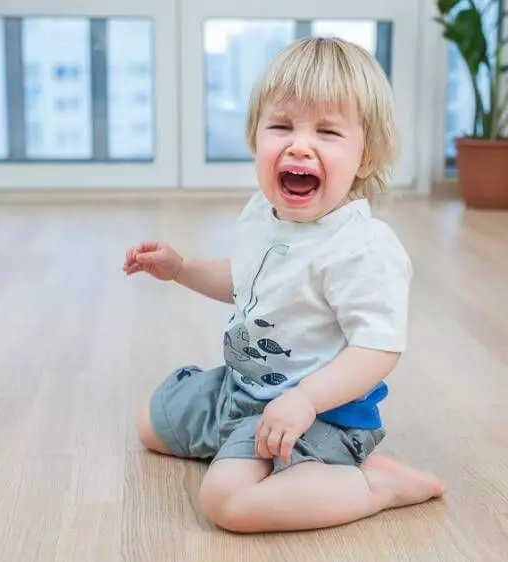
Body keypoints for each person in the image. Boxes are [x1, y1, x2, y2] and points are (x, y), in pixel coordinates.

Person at [124, 36, 445, 534]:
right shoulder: (263, 214)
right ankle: (265, 456)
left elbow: (377, 348)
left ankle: (371, 486)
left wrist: (307, 400)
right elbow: (247, 280)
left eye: (327, 132)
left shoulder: (362, 249)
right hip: (243, 389)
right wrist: (182, 268)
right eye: (281, 126)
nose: (299, 144)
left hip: (322, 413)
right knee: (151, 425)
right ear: (255, 138)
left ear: (365, 157)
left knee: (227, 503)